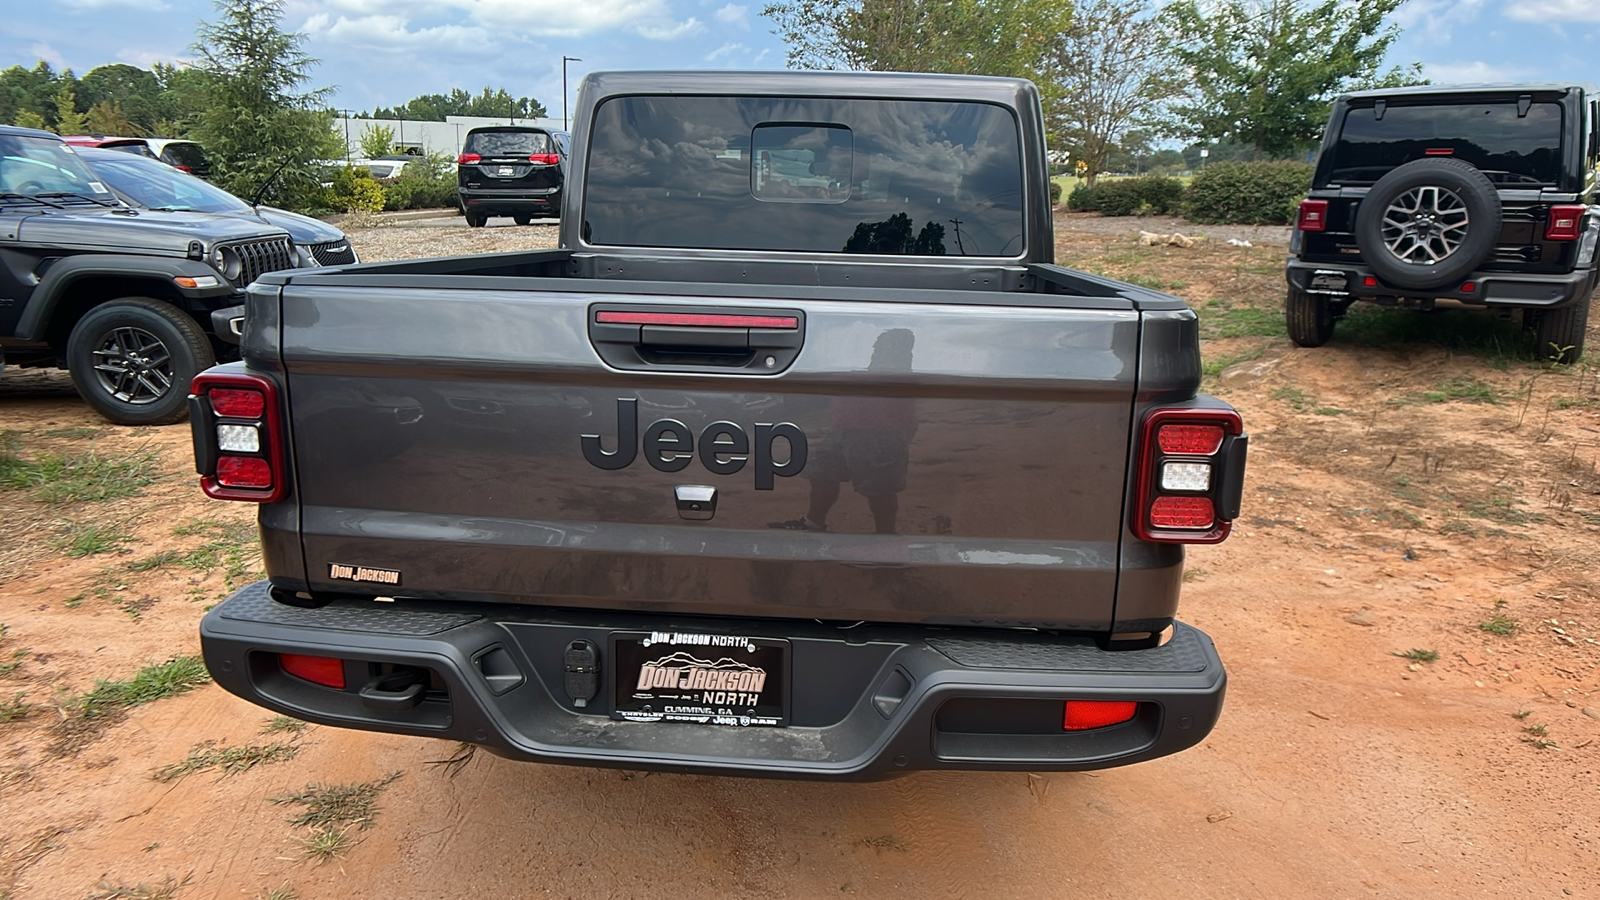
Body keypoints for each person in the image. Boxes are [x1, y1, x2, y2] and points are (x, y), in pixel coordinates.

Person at [770, 329, 916, 534]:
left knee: (880, 488)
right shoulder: (863, 362)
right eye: (878, 344)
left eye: (882, 344)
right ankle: (813, 522)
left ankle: (886, 535)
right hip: (845, 427)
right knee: (821, 471)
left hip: (880, 431)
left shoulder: (893, 366)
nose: (876, 348)